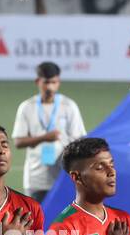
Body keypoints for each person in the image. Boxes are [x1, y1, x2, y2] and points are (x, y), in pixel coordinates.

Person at [11, 61, 86, 202]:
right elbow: (18, 141)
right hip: (36, 179)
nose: (50, 87)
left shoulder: (69, 106)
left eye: (54, 82)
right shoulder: (27, 107)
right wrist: (45, 138)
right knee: (38, 221)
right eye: (46, 82)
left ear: (59, 82)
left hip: (63, 178)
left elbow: (80, 140)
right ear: (37, 81)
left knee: (65, 222)